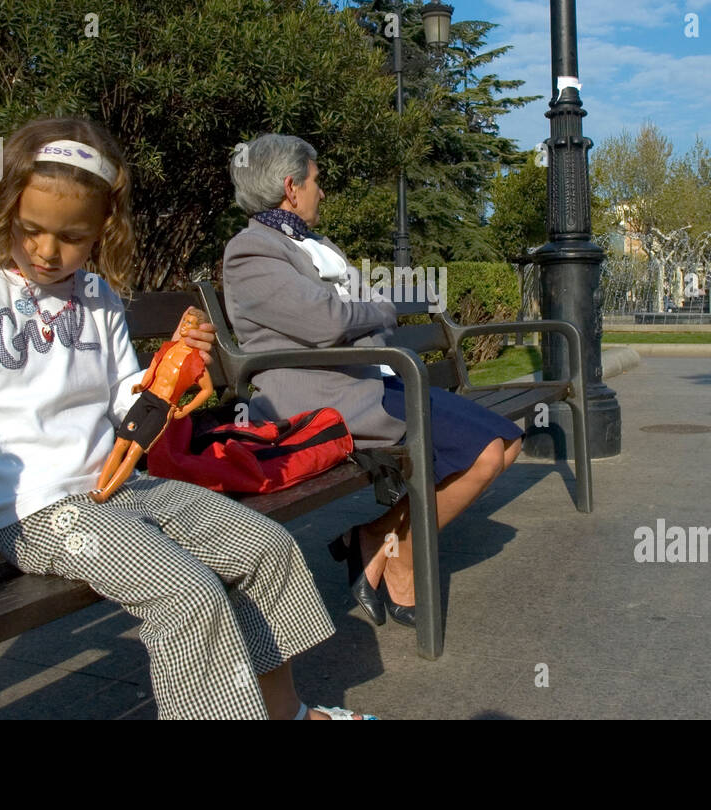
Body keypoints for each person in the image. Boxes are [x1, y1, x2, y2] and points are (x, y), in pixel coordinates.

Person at [0, 116, 371, 720]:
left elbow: (130, 403)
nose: (49, 251)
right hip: (42, 513)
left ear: (103, 227)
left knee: (266, 546)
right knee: (186, 591)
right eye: (31, 230)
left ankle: (286, 713)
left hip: (123, 487)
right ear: (4, 213)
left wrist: (168, 375)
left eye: (71, 236)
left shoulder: (97, 297)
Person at [223, 134, 523, 629]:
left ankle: (376, 541)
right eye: (317, 181)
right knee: (487, 453)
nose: (323, 192)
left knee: (508, 443)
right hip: (321, 399)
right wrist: (373, 310)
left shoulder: (316, 246)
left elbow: (356, 318)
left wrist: (362, 315)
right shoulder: (251, 251)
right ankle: (401, 561)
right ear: (291, 187)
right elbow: (328, 319)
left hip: (369, 382)